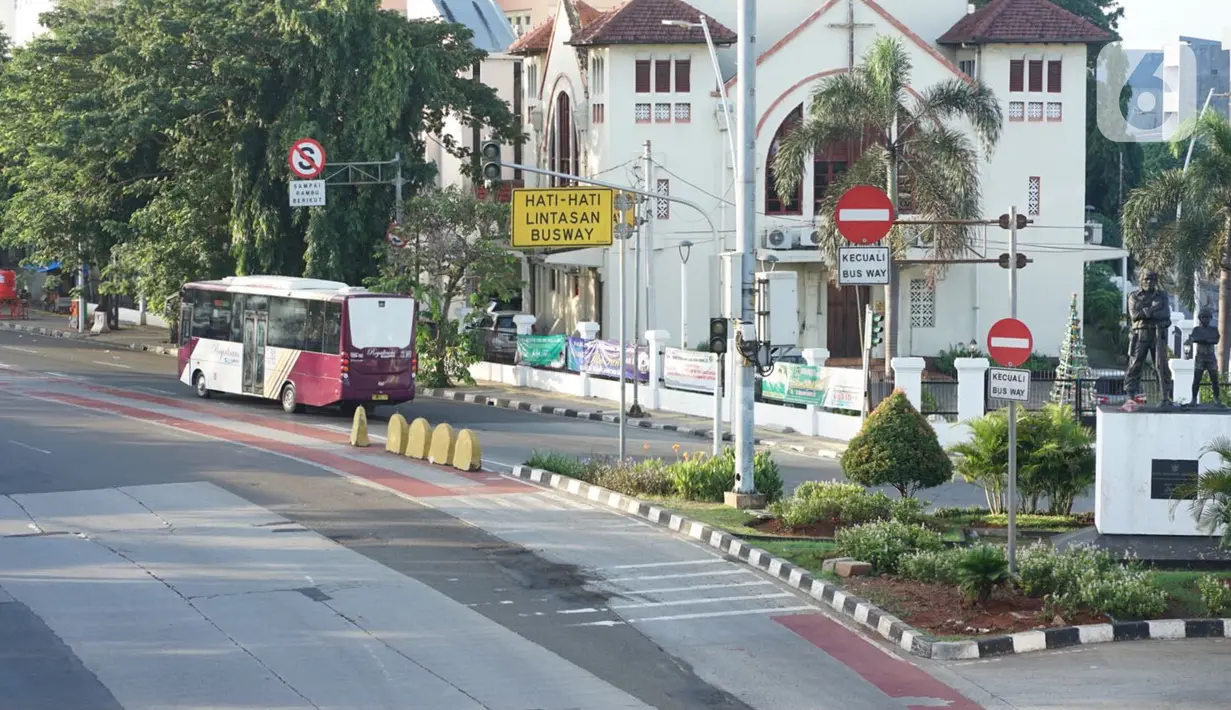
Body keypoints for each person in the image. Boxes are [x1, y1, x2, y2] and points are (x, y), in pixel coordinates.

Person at [1124, 270, 1174, 406]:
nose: (1149, 282)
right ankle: (1130, 395)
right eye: (1146, 279)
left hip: (1158, 333)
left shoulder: (1162, 296)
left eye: (1152, 279)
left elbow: (1165, 315)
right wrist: (1153, 309)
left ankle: (1165, 396)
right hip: (1140, 334)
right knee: (1135, 364)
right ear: (1141, 280)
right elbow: (1135, 315)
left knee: (1161, 365)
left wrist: (1146, 313)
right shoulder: (1134, 296)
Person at [1185, 308, 1222, 405]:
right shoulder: (1196, 329)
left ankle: (1216, 399)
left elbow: (1216, 339)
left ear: (1210, 318)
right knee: (1196, 379)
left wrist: (1203, 339)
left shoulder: (1213, 329)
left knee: (1214, 380)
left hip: (1211, 358)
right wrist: (1206, 339)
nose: (1205, 319)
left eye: (1207, 317)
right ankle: (1194, 399)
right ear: (1199, 318)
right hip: (1200, 358)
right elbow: (1193, 338)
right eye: (1203, 317)